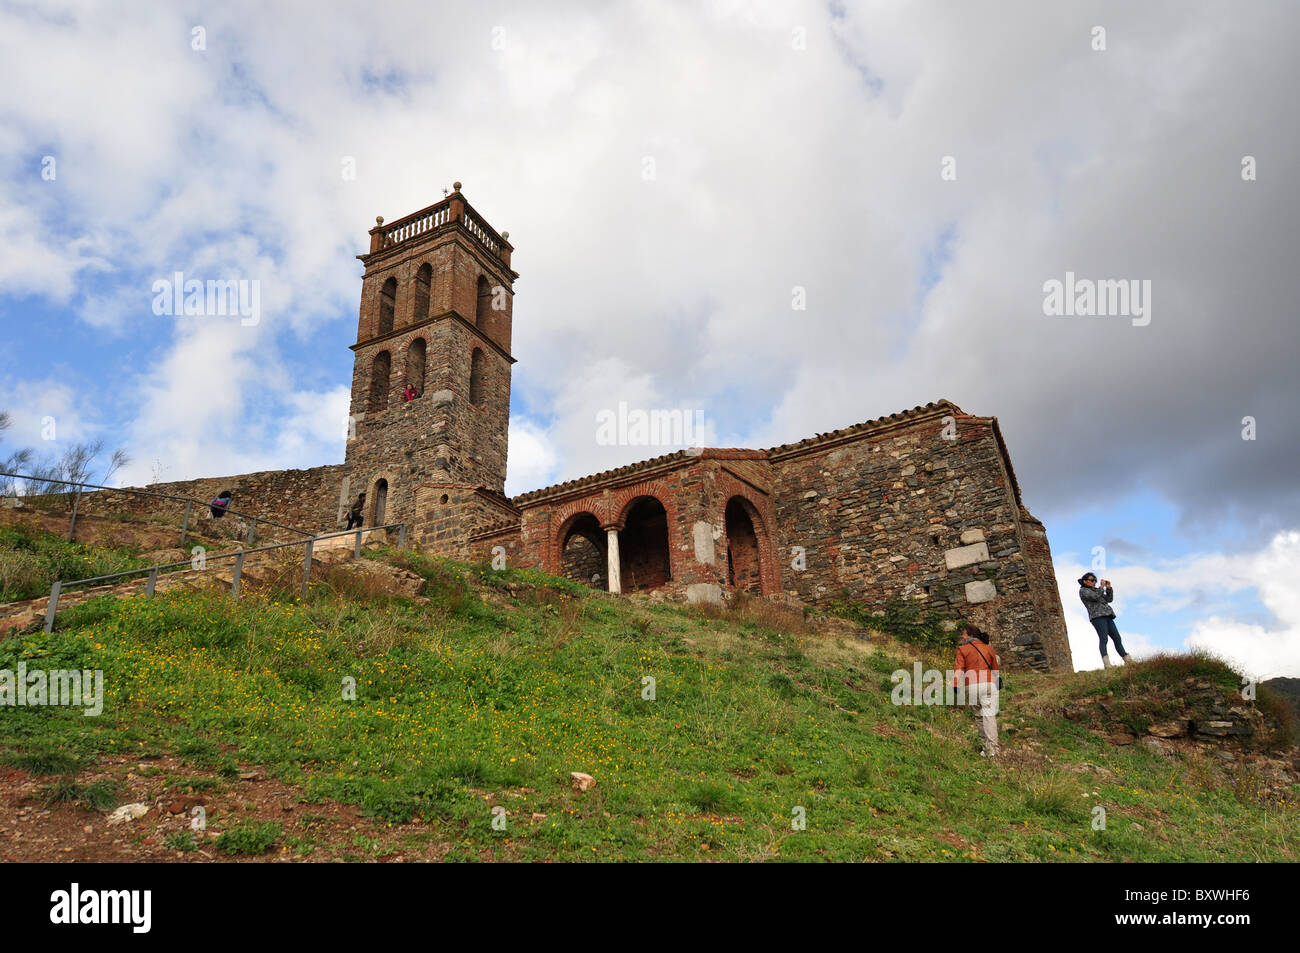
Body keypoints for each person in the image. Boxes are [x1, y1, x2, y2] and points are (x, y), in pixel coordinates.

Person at [952, 623, 1001, 757]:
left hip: (972, 685)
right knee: (989, 716)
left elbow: (959, 668)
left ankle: (987, 750)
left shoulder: (963, 649)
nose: (962, 636)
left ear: (970, 634)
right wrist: (997, 679)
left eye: (964, 633)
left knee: (979, 717)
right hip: (988, 684)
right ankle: (994, 749)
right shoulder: (988, 648)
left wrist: (955, 684)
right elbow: (995, 667)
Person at [1078, 572, 1130, 668]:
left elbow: (1109, 599)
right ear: (1085, 581)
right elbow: (1095, 597)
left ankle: (1127, 660)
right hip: (1097, 617)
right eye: (1092, 580)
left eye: (1095, 580)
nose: (1094, 582)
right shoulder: (1083, 591)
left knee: (1117, 638)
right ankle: (1107, 663)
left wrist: (1109, 588)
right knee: (1104, 639)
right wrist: (1102, 587)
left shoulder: (1097, 590)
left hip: (1107, 616)